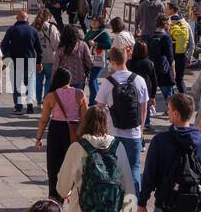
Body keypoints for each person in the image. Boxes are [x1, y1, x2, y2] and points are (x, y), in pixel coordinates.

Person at [96, 46, 150, 194]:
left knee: (112, 168)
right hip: (134, 133)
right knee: (134, 169)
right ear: (126, 58)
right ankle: (131, 207)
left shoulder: (108, 82)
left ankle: (115, 202)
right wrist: (141, 129)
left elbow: (99, 108)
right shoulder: (139, 80)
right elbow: (143, 109)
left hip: (112, 133)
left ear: (112, 61)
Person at [34, 67, 88, 200]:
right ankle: (75, 195)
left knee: (54, 166)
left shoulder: (51, 96)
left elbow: (43, 120)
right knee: (75, 165)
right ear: (69, 80)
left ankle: (54, 196)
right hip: (74, 131)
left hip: (56, 130)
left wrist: (39, 137)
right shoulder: (80, 94)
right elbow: (86, 118)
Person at [0, 8, 41, 115]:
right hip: (30, 61)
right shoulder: (33, 30)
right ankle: (30, 105)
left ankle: (18, 107)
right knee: (30, 84)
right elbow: (39, 49)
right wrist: (39, 62)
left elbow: (3, 45)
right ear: (27, 19)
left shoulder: (12, 30)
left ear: (17, 18)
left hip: (15, 61)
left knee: (17, 85)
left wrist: (8, 54)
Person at [127, 40, 158, 133]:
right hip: (146, 88)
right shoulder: (149, 63)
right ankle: (146, 124)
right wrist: (153, 96)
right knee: (145, 107)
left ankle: (133, 122)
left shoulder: (129, 63)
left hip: (131, 87)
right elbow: (154, 81)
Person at [53, 23, 93, 92]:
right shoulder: (83, 45)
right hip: (79, 77)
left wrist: (53, 81)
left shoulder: (61, 48)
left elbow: (55, 66)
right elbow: (90, 62)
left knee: (65, 101)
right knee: (78, 99)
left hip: (64, 79)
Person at [34, 8, 61, 103]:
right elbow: (57, 44)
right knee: (49, 79)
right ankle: (46, 99)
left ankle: (38, 100)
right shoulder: (51, 28)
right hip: (50, 58)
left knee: (38, 80)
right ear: (48, 17)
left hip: (37, 58)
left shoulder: (34, 27)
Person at [85, 14, 112, 102]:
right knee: (94, 80)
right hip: (89, 59)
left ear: (100, 23)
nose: (93, 22)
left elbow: (109, 45)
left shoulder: (104, 33)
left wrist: (96, 44)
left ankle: (93, 102)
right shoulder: (90, 31)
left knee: (92, 80)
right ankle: (96, 100)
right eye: (92, 20)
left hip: (98, 60)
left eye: (96, 20)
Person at [168, 6, 193, 94]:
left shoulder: (170, 25)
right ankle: (184, 96)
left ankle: (171, 98)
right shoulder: (186, 25)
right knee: (180, 79)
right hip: (182, 54)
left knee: (168, 79)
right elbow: (191, 43)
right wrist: (189, 56)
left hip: (170, 54)